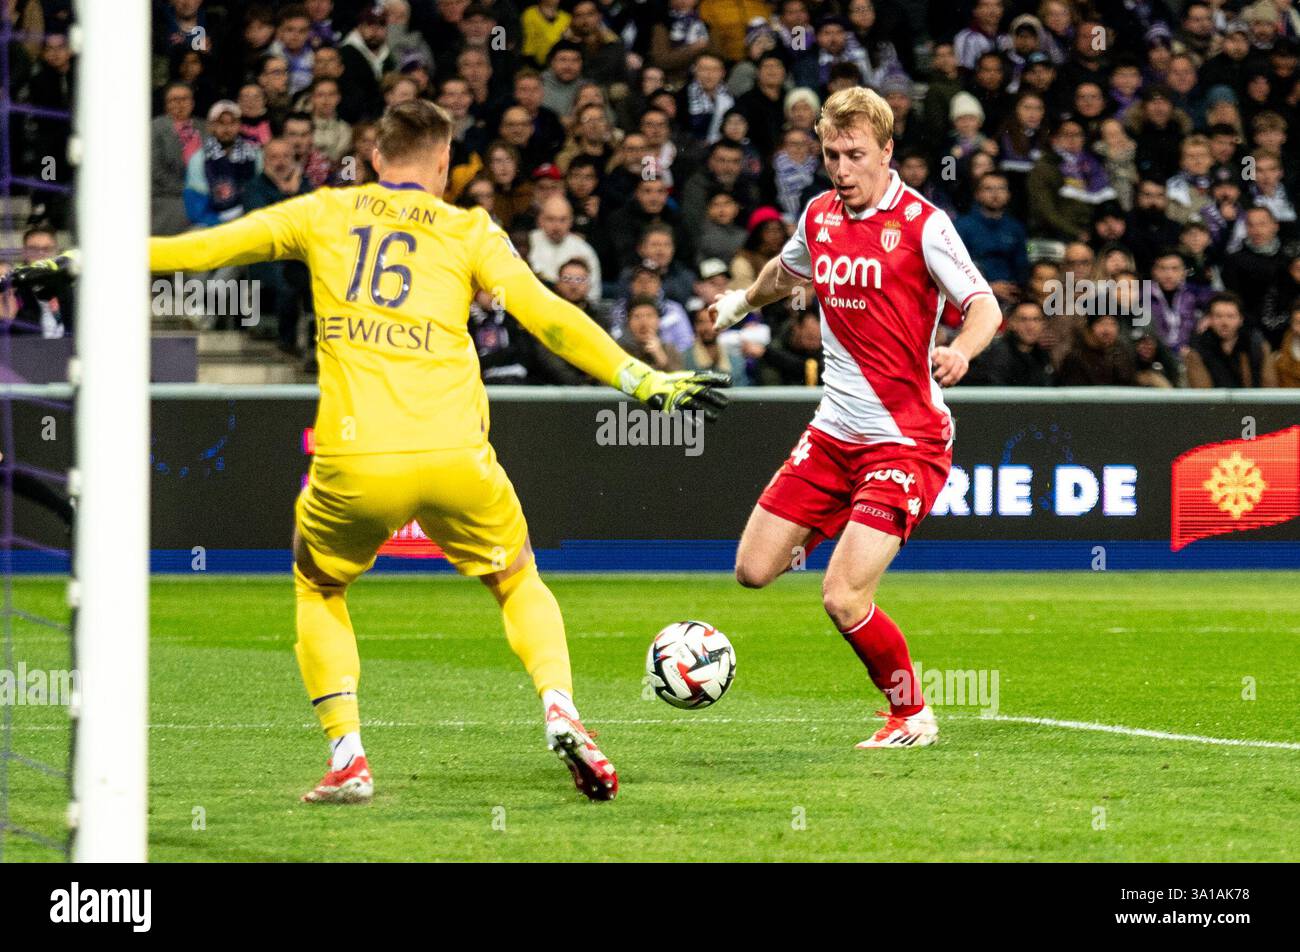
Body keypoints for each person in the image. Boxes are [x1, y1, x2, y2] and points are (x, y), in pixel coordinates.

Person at [131, 102, 730, 803]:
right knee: (515, 581)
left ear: (376, 157)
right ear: (444, 165)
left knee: (319, 586)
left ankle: (348, 755)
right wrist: (644, 378)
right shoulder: (469, 227)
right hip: (456, 453)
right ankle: (561, 707)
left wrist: (90, 261)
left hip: (356, 458)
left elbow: (202, 248)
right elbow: (549, 316)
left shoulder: (324, 210)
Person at [708, 87, 1001, 749]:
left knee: (841, 596)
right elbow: (786, 275)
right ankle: (831, 524)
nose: (841, 168)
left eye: (855, 154)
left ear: (887, 151)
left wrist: (960, 348)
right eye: (832, 154)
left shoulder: (924, 224)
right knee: (752, 571)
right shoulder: (819, 217)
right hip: (833, 434)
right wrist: (740, 304)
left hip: (906, 443)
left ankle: (912, 714)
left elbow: (984, 305)